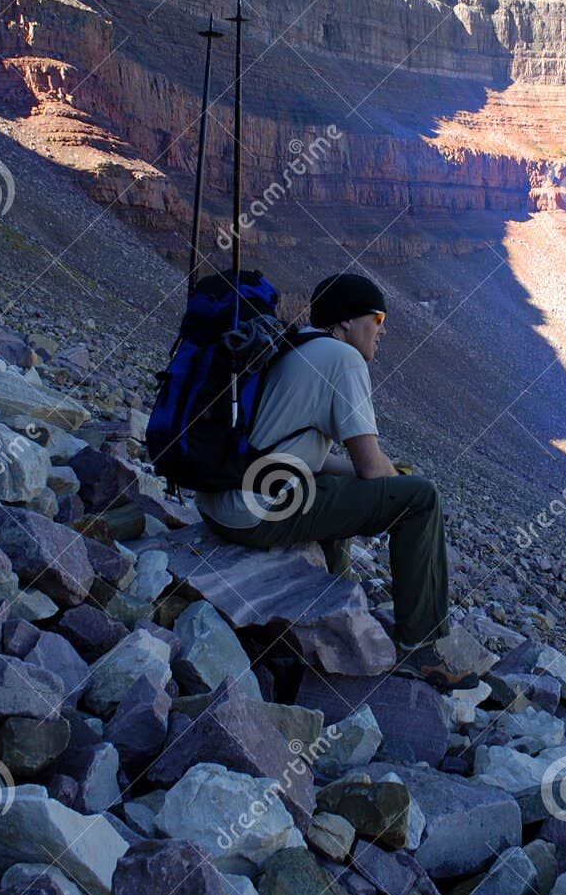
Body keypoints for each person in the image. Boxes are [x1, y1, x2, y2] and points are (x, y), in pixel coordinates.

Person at [195, 271, 476, 691]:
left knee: (344, 493)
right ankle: (421, 649)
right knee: (420, 498)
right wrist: (396, 478)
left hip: (224, 501)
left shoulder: (297, 347)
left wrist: (384, 475)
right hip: (256, 510)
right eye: (377, 319)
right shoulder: (343, 360)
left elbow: (310, 458)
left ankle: (338, 600)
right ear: (346, 320)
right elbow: (369, 467)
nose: (382, 331)